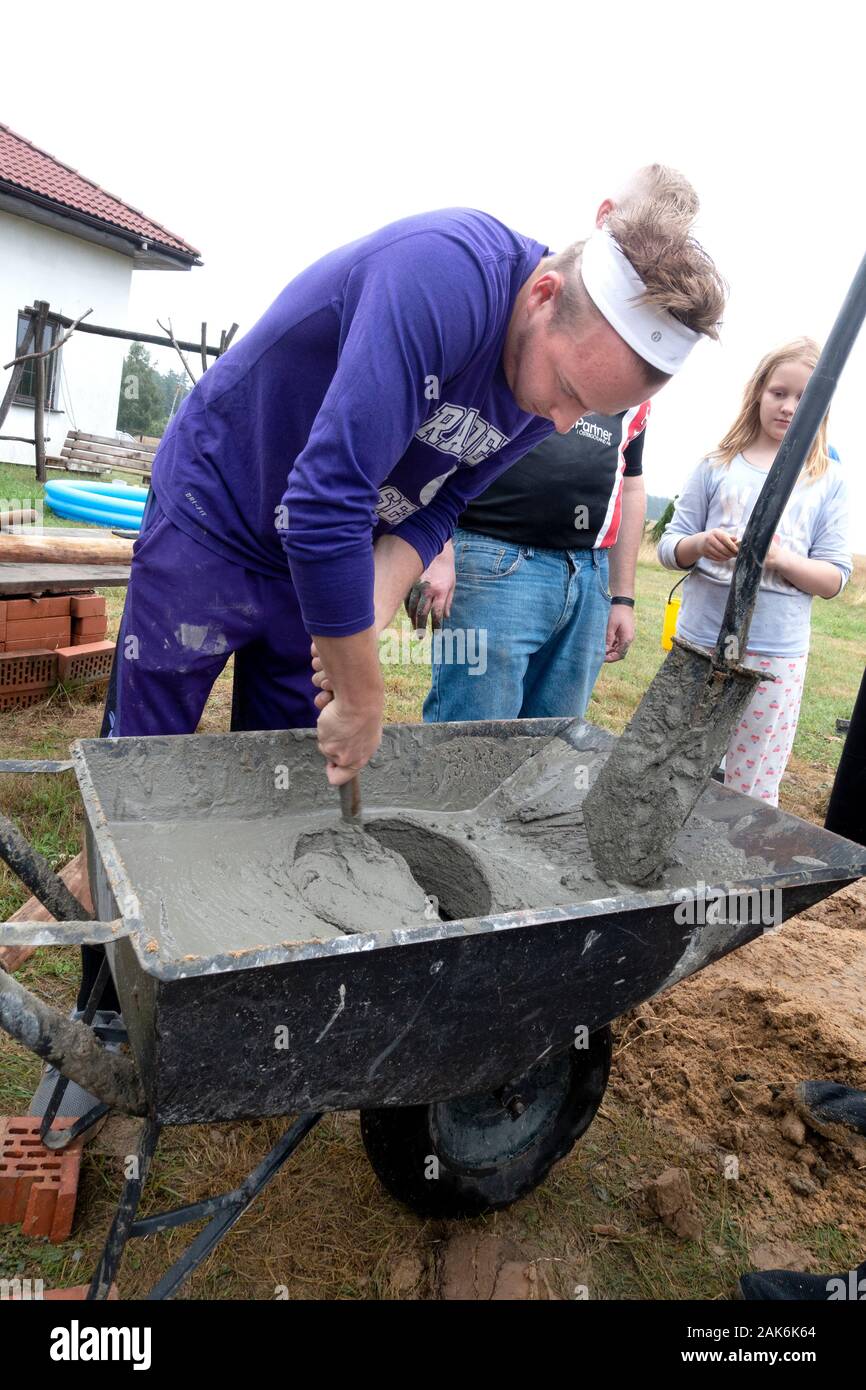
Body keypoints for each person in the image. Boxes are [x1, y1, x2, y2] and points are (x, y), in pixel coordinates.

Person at [36, 199, 726, 1122]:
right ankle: (107, 1020)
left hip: (322, 553)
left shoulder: (547, 381)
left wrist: (350, 621)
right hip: (221, 511)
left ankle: (231, 987)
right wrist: (362, 691)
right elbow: (324, 494)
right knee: (137, 775)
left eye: (588, 412)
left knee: (267, 779)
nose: (560, 424)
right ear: (544, 295)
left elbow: (438, 508)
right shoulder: (439, 277)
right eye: (564, 391)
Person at [407, 167, 702, 722]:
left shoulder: (641, 366)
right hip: (493, 560)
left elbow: (629, 483)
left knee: (552, 750)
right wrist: (437, 550)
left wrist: (620, 595)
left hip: (585, 575)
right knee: (470, 745)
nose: (565, 420)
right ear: (607, 215)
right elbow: (443, 438)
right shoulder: (536, 314)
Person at [658, 339, 851, 806]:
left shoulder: (827, 479)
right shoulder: (716, 465)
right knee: (671, 760)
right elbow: (669, 548)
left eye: (805, 397)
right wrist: (702, 544)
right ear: (758, 393)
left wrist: (782, 560)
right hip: (699, 643)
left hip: (775, 657)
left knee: (754, 777)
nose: (789, 407)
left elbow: (834, 578)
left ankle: (735, 856)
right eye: (779, 392)